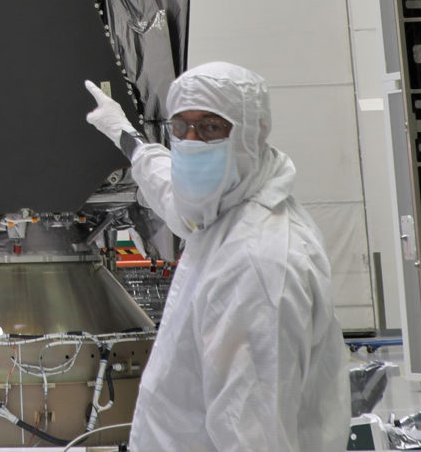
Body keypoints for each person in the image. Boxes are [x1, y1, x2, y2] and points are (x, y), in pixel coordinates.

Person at [86, 63, 350, 452]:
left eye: (211, 128)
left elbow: (255, 436)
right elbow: (169, 190)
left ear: (252, 131)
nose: (191, 142)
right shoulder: (222, 206)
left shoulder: (255, 265)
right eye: (181, 128)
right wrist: (122, 132)